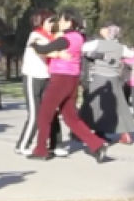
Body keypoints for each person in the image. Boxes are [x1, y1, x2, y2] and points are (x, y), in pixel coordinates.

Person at [27, 9, 112, 163]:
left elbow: (43, 49)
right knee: (71, 118)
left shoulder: (66, 39)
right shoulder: (79, 38)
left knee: (45, 114)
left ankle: (41, 150)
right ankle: (97, 145)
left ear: (69, 22)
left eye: (61, 20)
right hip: (72, 80)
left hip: (60, 79)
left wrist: (33, 43)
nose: (59, 23)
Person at [14, 10, 64, 156]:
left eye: (53, 21)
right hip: (33, 77)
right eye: (49, 21)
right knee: (35, 115)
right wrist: (59, 52)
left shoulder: (51, 36)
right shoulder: (36, 35)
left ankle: (56, 144)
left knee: (51, 112)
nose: (52, 24)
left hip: (47, 77)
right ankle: (22, 145)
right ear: (40, 21)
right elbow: (44, 51)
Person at [82, 25, 134, 145]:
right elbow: (132, 54)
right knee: (119, 106)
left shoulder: (97, 43)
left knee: (94, 105)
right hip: (114, 78)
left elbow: (82, 48)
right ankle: (125, 134)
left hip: (99, 77)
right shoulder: (121, 47)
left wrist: (94, 55)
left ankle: (84, 131)